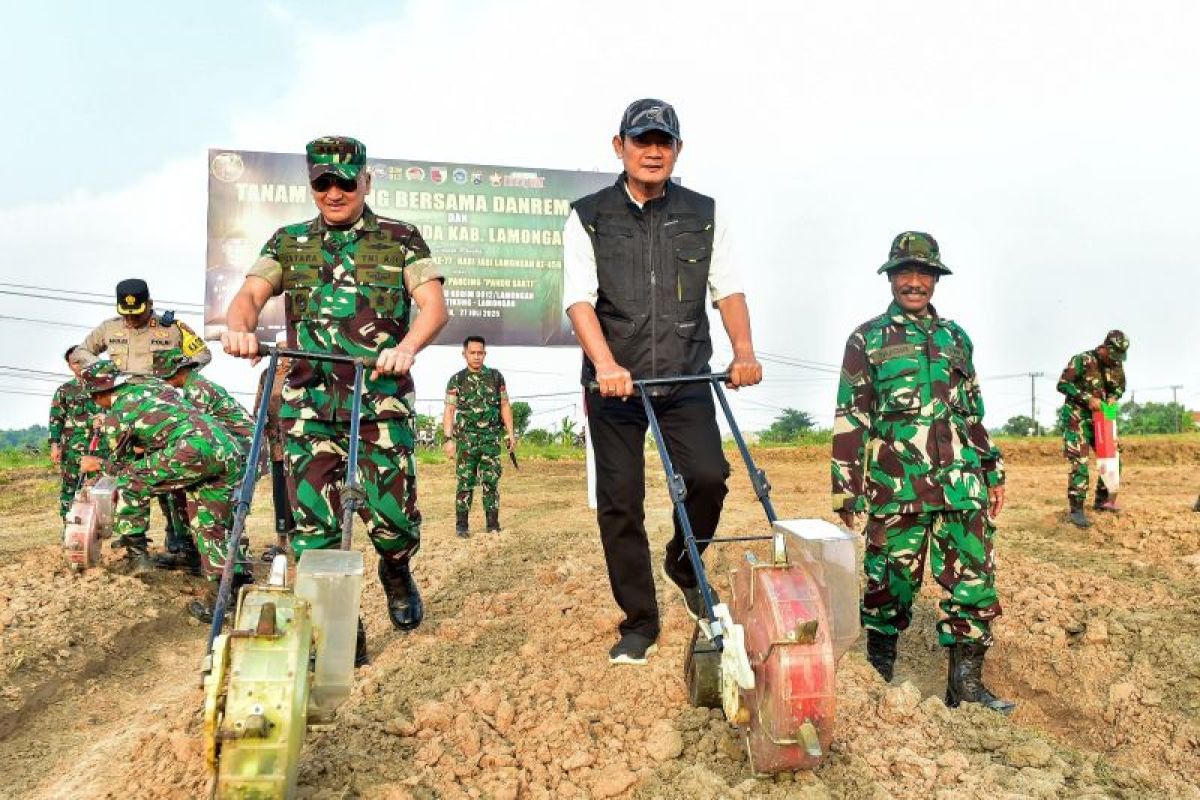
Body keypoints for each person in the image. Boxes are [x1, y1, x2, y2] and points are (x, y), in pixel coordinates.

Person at [221, 136, 448, 660]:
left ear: (365, 181)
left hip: (380, 405)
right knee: (315, 532)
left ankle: (396, 569)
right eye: (322, 182)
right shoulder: (290, 242)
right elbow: (251, 295)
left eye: (345, 181)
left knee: (393, 525)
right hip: (309, 408)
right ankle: (339, 628)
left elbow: (433, 306)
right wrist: (240, 328)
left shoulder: (400, 239)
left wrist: (407, 347)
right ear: (312, 185)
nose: (334, 191)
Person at [562, 99, 762, 665]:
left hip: (684, 373)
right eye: (642, 140)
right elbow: (578, 298)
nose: (653, 151)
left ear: (677, 149)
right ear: (618, 145)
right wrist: (605, 364)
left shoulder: (703, 212)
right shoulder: (589, 215)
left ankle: (683, 557)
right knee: (619, 502)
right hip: (614, 384)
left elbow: (728, 288)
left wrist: (743, 351)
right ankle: (640, 621)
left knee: (708, 476)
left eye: (664, 142)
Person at [831, 231, 1014, 714]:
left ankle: (967, 689)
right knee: (887, 586)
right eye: (905, 273)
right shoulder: (867, 339)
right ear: (891, 278)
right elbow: (851, 416)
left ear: (935, 279)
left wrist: (991, 470)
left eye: (924, 274)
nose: (914, 283)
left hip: (961, 483)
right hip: (898, 487)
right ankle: (877, 681)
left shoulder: (957, 339)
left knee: (974, 584)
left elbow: (972, 412)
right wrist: (846, 489)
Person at [77, 362, 244, 614]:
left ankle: (137, 556)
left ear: (98, 395)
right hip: (226, 446)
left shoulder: (117, 415)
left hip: (192, 449)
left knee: (130, 482)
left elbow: (118, 468)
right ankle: (235, 593)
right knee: (211, 523)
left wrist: (96, 464)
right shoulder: (153, 385)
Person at [71, 278, 211, 559]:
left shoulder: (172, 328)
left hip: (160, 411)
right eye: (126, 315)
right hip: (123, 409)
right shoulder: (108, 329)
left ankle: (180, 539)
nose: (131, 320)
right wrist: (101, 369)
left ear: (150, 305)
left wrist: (176, 373)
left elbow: (203, 353)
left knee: (172, 477)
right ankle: (132, 540)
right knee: (125, 473)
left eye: (137, 314)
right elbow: (79, 352)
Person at [442, 336, 516, 537]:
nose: (476, 356)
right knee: (465, 482)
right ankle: (462, 526)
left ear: (485, 354)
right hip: (466, 441)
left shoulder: (495, 377)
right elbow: (449, 410)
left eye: (480, 352)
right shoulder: (457, 379)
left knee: (491, 481)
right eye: (472, 352)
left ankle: (492, 524)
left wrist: (510, 434)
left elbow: (504, 405)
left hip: (491, 439)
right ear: (464, 354)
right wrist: (448, 439)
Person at [1056, 330, 1129, 528]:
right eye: (1114, 355)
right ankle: (1077, 509)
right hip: (1077, 419)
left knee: (1113, 458)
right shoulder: (1082, 360)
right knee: (1080, 462)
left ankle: (1102, 501)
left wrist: (1114, 397)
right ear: (1105, 348)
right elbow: (1063, 384)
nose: (1116, 360)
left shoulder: (1116, 365)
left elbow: (1120, 387)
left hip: (1102, 419)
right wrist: (1088, 399)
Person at [48, 346, 109, 519]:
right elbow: (55, 419)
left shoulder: (105, 387)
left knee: (100, 486)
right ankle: (69, 525)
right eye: (74, 362)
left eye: (82, 361)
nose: (78, 365)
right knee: (70, 486)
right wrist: (55, 446)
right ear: (69, 365)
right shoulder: (65, 390)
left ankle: (98, 526)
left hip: (101, 447)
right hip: (72, 449)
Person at [255, 355, 296, 561]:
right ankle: (281, 543)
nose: (285, 356)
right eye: (281, 352)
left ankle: (304, 541)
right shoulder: (268, 374)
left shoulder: (306, 370)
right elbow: (259, 408)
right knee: (281, 494)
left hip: (303, 444)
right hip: (278, 445)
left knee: (302, 493)